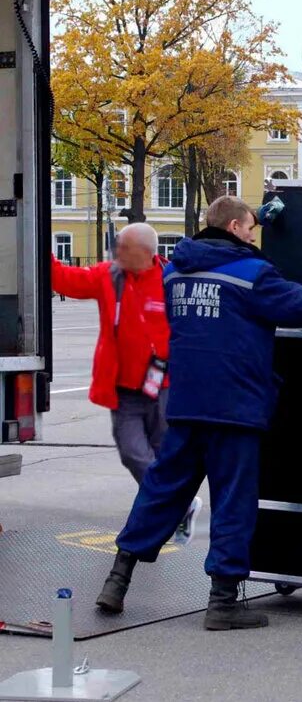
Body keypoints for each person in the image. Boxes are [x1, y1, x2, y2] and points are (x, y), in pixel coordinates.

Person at [95, 196, 302, 631]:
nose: (253, 235)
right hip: (235, 407)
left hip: (187, 403)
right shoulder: (253, 275)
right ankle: (222, 602)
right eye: (249, 228)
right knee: (233, 502)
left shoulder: (174, 273)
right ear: (232, 228)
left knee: (161, 491)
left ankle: (117, 580)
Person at [51, 223, 202, 543]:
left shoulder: (172, 282)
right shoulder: (109, 276)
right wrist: (39, 247)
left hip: (164, 387)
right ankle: (177, 507)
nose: (117, 252)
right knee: (134, 454)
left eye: (124, 248)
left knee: (164, 457)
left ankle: (170, 513)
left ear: (146, 254)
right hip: (124, 391)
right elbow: (66, 279)